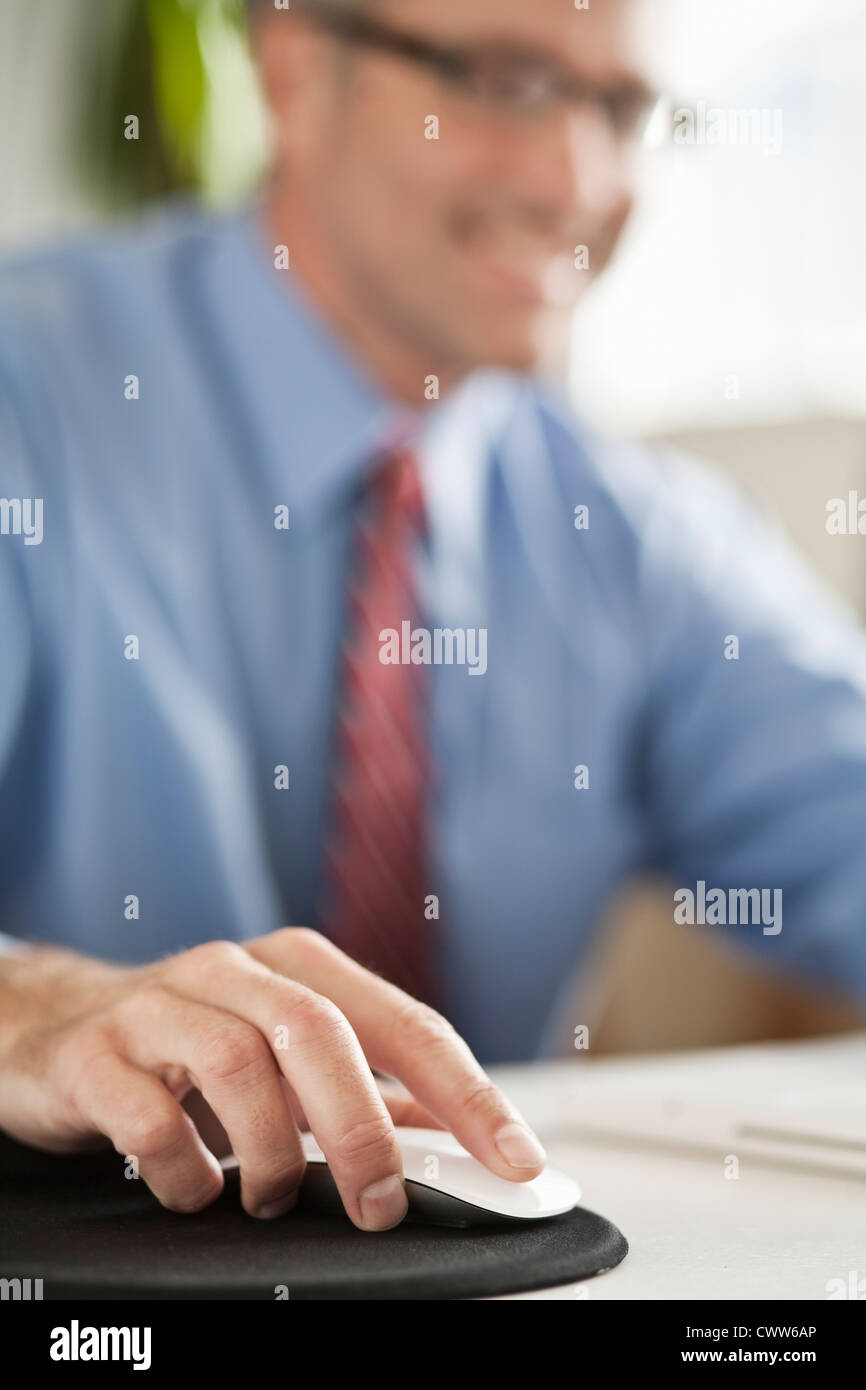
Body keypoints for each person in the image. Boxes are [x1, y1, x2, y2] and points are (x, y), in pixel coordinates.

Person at [0, 0, 864, 1233]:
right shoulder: (27, 400)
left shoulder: (629, 536)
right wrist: (28, 1005)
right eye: (506, 79)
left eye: (619, 106)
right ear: (294, 70)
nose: (579, 176)